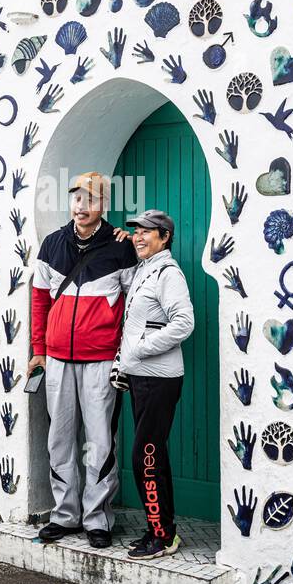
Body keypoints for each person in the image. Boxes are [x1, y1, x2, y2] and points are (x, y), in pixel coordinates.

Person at [28, 172, 137, 548]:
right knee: (59, 438)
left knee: (99, 440)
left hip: (102, 359)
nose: (81, 206)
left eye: (90, 200)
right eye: (76, 199)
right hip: (57, 357)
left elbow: (134, 306)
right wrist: (38, 350)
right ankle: (65, 514)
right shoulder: (52, 245)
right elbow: (40, 300)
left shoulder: (121, 247)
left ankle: (98, 520)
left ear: (103, 205)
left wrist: (124, 354)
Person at [114, 209, 195, 560]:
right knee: (153, 456)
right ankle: (158, 527)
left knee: (145, 457)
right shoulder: (145, 270)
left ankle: (163, 536)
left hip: (159, 378)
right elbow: (134, 324)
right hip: (143, 377)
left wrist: (140, 351)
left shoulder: (168, 273)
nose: (139, 236)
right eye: (136, 231)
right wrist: (125, 363)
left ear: (164, 237)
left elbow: (183, 323)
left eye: (147, 231)